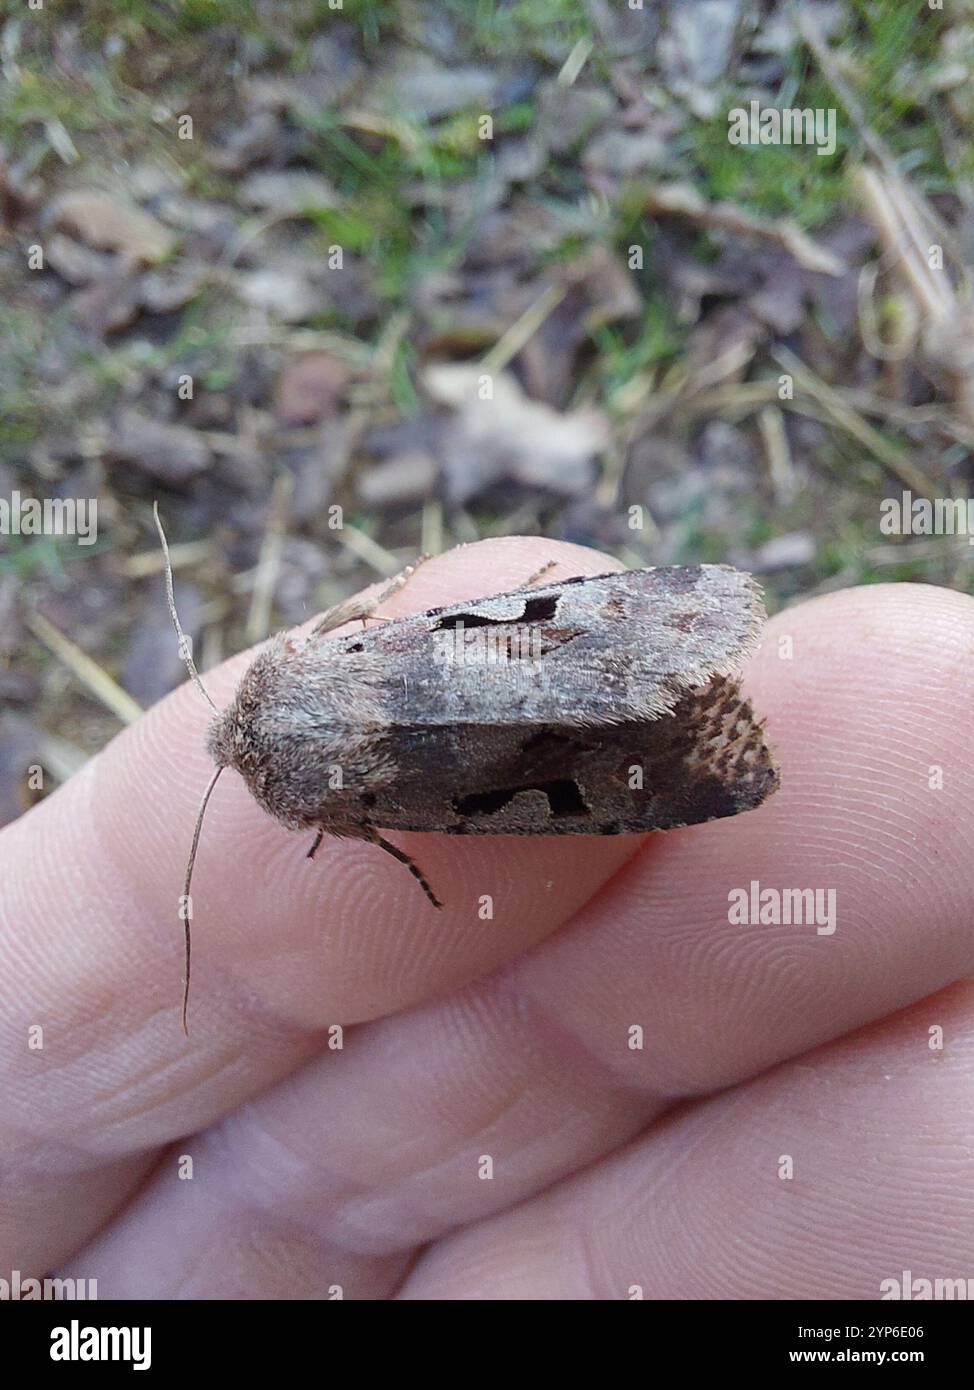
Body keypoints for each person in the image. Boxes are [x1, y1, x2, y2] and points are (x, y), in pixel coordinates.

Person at [2, 537, 971, 1299]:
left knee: (559, 788)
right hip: (508, 646)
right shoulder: (309, 664)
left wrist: (386, 843)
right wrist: (433, 591)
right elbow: (370, 619)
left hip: (507, 779)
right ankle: (674, 723)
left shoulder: (311, 798)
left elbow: (367, 827)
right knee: (506, 646)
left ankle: (680, 748)